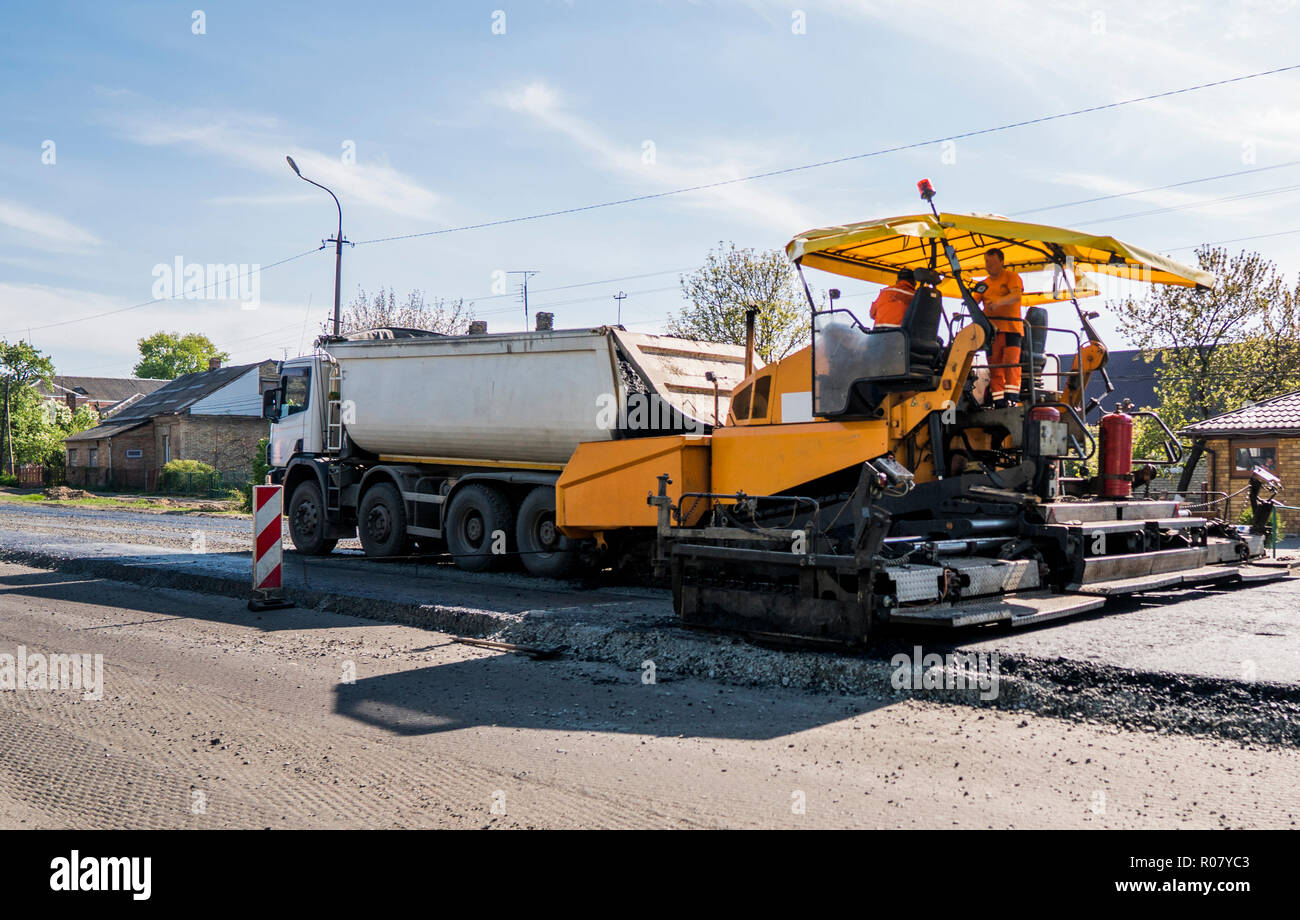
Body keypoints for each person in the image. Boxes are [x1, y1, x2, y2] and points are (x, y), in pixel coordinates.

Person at [975, 248, 1024, 407]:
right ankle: (999, 401)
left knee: (1010, 362)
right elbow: (972, 301)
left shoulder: (1012, 277)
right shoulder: (983, 284)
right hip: (992, 332)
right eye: (987, 262)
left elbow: (1016, 296)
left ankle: (1012, 397)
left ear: (1001, 262)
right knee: (995, 366)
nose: (989, 266)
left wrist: (998, 302)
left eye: (992, 262)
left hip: (1012, 328)